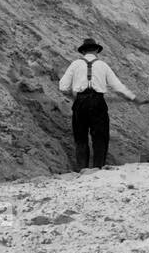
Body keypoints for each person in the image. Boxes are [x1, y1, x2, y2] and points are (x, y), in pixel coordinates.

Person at [58, 37, 136, 169]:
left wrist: (74, 97)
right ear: (96, 50)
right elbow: (117, 86)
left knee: (81, 138)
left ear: (83, 52)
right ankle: (98, 168)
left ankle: (82, 169)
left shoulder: (75, 64)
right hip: (98, 101)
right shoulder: (103, 65)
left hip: (80, 102)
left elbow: (63, 86)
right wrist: (132, 97)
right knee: (100, 137)